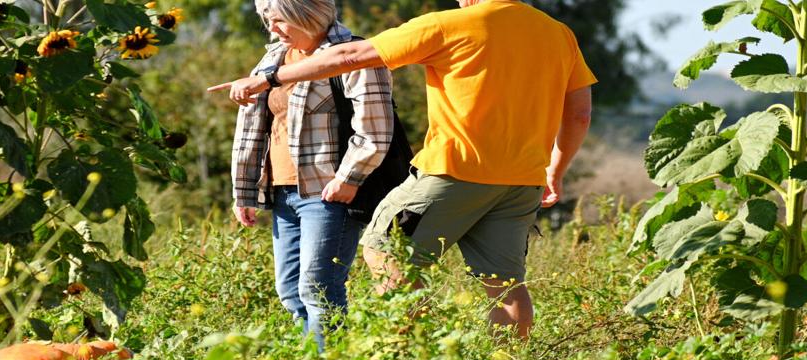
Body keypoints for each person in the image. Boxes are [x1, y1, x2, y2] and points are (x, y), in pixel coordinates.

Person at [209, 0, 595, 339]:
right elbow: (578, 114)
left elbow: (348, 56)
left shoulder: (449, 24)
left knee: (384, 249)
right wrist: (554, 171)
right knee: (506, 287)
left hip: (453, 171)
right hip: (521, 182)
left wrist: (271, 78)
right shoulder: (557, 33)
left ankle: (409, 355)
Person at [226, 0, 395, 351]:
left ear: (306, 14)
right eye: (267, 21)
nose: (272, 29)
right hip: (282, 191)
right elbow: (253, 127)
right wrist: (244, 192)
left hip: (328, 193)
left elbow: (375, 129)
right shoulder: (272, 59)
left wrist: (349, 179)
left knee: (318, 287)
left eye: (278, 20)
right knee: (290, 291)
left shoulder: (353, 55)